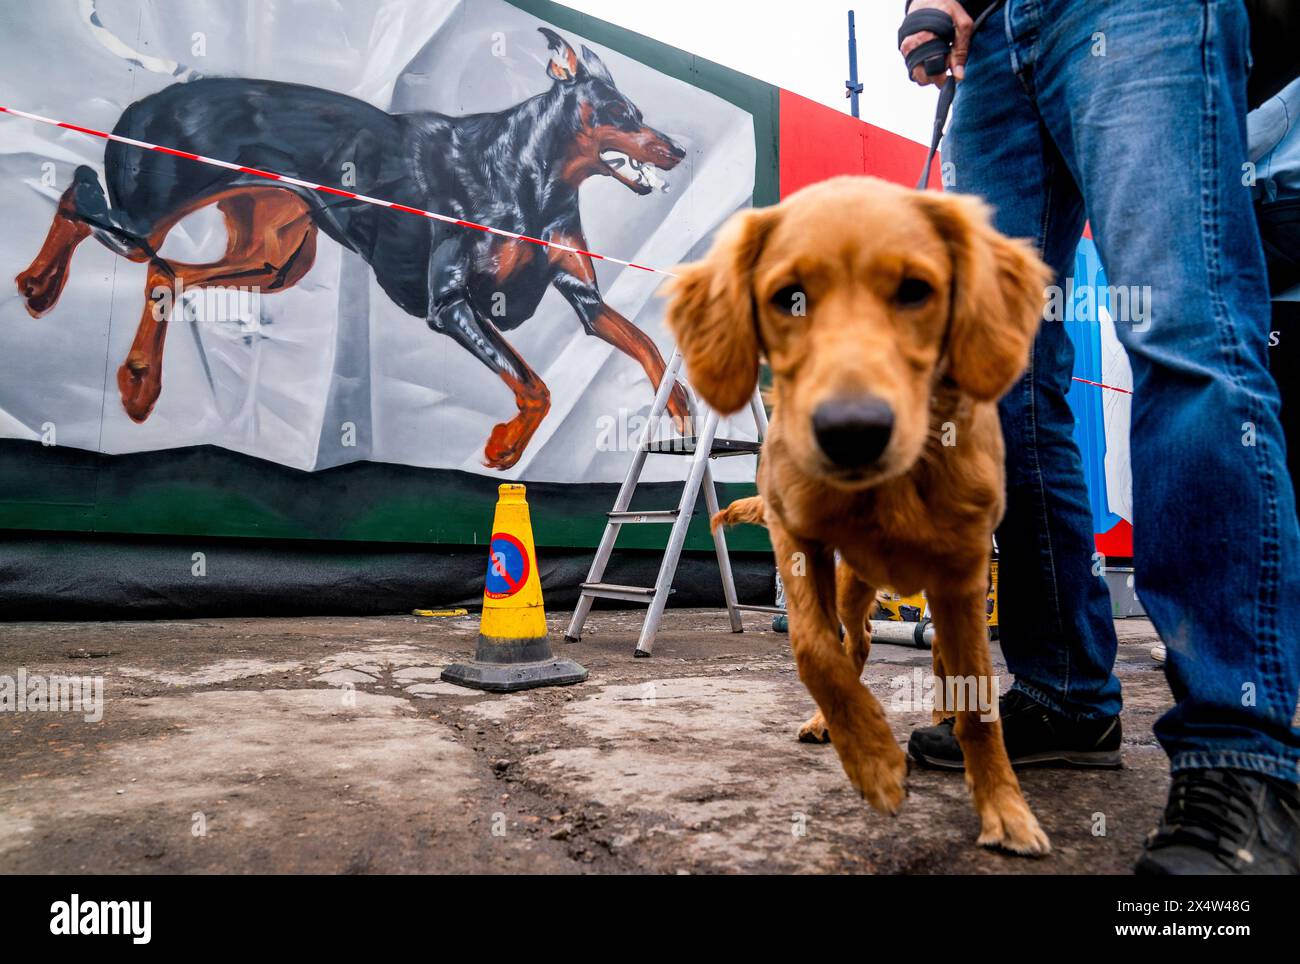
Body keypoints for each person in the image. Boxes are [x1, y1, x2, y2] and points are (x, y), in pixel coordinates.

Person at [898, 0, 1300, 874]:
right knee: (992, 379)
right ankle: (1067, 692)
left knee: (1187, 330)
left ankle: (1243, 751)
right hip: (999, 39)